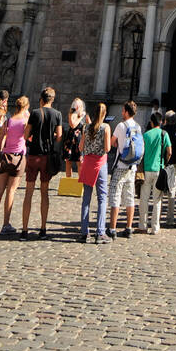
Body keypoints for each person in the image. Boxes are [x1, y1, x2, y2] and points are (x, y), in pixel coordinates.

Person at [21, 87, 63, 239]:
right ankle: (43, 229)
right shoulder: (57, 114)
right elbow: (59, 136)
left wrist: (32, 136)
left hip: (33, 156)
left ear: (41, 99)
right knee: (44, 193)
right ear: (52, 99)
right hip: (46, 157)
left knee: (28, 193)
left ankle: (24, 230)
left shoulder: (35, 113)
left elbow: (26, 134)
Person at [0, 94, 29, 236]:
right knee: (11, 191)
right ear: (25, 107)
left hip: (5, 157)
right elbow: (29, 137)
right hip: (17, 158)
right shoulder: (25, 122)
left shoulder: (8, 121)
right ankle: (6, 224)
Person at [107, 101, 143, 240]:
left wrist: (117, 144)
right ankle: (128, 228)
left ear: (127, 112)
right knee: (129, 197)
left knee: (115, 196)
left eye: (123, 111)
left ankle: (112, 228)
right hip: (132, 166)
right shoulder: (138, 127)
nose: (121, 113)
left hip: (121, 165)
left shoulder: (121, 126)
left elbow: (111, 143)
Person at [78, 101, 111, 244]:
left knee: (86, 198)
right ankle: (100, 232)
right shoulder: (106, 127)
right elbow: (108, 148)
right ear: (104, 114)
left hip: (87, 163)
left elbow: (80, 146)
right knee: (102, 198)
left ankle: (84, 232)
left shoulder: (86, 127)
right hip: (100, 164)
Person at [138, 110, 171, 235]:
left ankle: (142, 225)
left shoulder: (146, 135)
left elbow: (142, 151)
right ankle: (155, 227)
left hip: (146, 169)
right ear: (161, 122)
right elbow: (169, 151)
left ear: (152, 122)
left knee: (144, 199)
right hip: (159, 168)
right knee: (157, 199)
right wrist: (165, 161)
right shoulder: (164, 134)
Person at [162, 110, 176, 227]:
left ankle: (157, 217)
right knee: (172, 191)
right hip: (173, 163)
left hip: (163, 163)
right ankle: (170, 218)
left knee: (159, 189)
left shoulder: (162, 131)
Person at [63, 98, 86, 177]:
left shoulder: (84, 114)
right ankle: (68, 181)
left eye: (79, 105)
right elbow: (73, 125)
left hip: (80, 139)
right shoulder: (72, 113)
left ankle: (80, 183)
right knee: (68, 161)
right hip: (71, 139)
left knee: (80, 162)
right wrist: (80, 118)